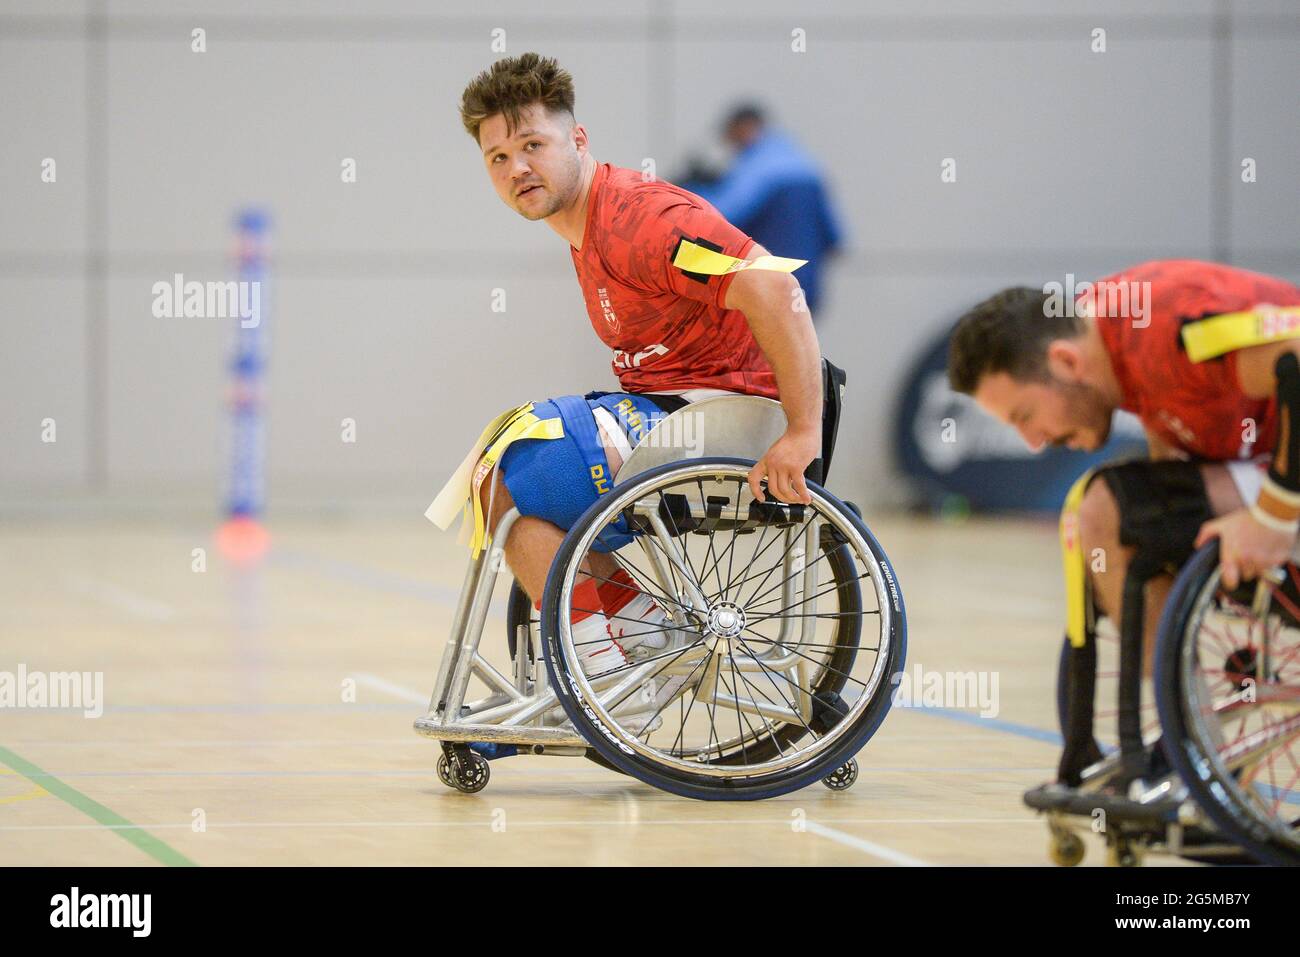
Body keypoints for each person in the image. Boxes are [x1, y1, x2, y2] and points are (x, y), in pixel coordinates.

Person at [432, 54, 823, 684]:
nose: (518, 169)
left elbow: (776, 290)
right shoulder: (584, 229)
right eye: (498, 158)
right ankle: (633, 636)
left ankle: (603, 664)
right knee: (506, 490)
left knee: (506, 467)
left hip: (721, 419)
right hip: (678, 413)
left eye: (533, 144)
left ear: (577, 139)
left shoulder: (643, 220)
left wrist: (803, 432)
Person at [947, 259, 1300, 667]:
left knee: (1111, 508)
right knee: (1122, 514)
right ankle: (1178, 718)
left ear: (1065, 362)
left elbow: (1295, 356)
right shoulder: (1098, 335)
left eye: (1024, 416)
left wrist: (1274, 518)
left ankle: (1180, 717)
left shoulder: (1168, 319)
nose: (1033, 443)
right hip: (1268, 460)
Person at [686, 104, 844, 316]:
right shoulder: (806, 167)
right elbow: (835, 238)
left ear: (745, 128)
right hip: (806, 286)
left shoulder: (758, 166)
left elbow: (721, 215)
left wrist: (689, 191)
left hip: (767, 285)